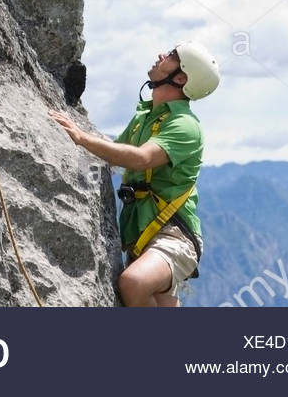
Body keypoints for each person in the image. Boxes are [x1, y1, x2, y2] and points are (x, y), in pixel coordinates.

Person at [49, 41, 220, 307]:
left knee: (134, 282)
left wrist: (81, 138)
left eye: (172, 56)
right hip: (144, 234)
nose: (162, 54)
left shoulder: (185, 125)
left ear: (181, 77)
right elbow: (118, 152)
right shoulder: (146, 116)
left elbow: (140, 160)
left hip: (174, 235)